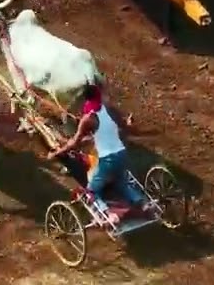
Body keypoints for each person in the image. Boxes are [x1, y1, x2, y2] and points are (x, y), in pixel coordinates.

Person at [47, 84, 145, 226]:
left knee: (91, 191)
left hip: (107, 160)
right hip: (122, 155)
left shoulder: (88, 119)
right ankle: (142, 203)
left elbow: (74, 144)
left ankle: (109, 214)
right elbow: (124, 127)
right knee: (121, 182)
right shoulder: (110, 110)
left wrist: (57, 153)